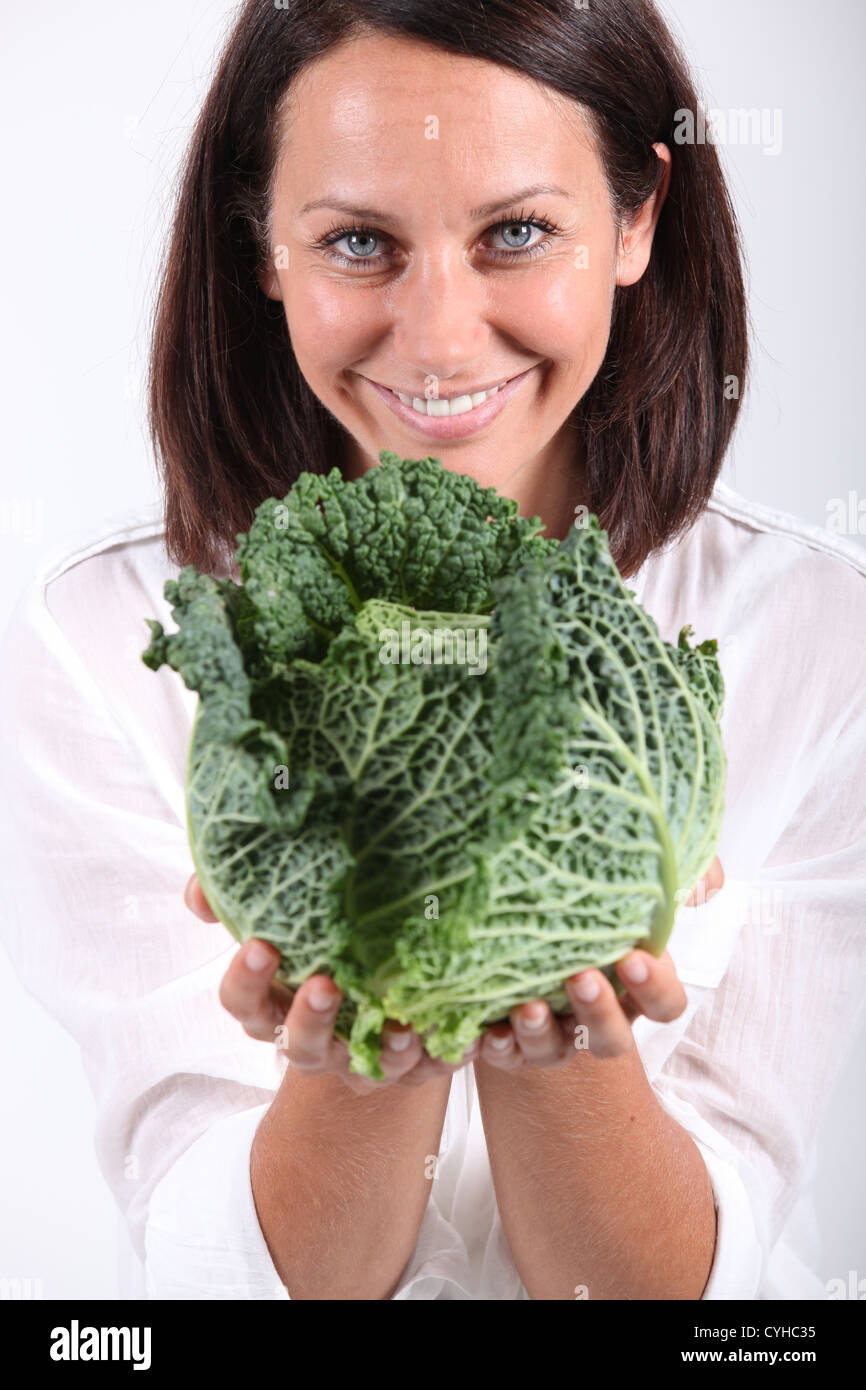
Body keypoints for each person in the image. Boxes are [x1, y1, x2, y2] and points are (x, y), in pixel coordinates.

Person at [1, 0, 864, 1301]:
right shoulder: (107, 637)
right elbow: (201, 1283)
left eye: (515, 231)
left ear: (635, 219)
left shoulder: (818, 633)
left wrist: (557, 1045)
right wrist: (363, 1050)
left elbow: (706, 1307)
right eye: (359, 241)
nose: (442, 337)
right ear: (261, 246)